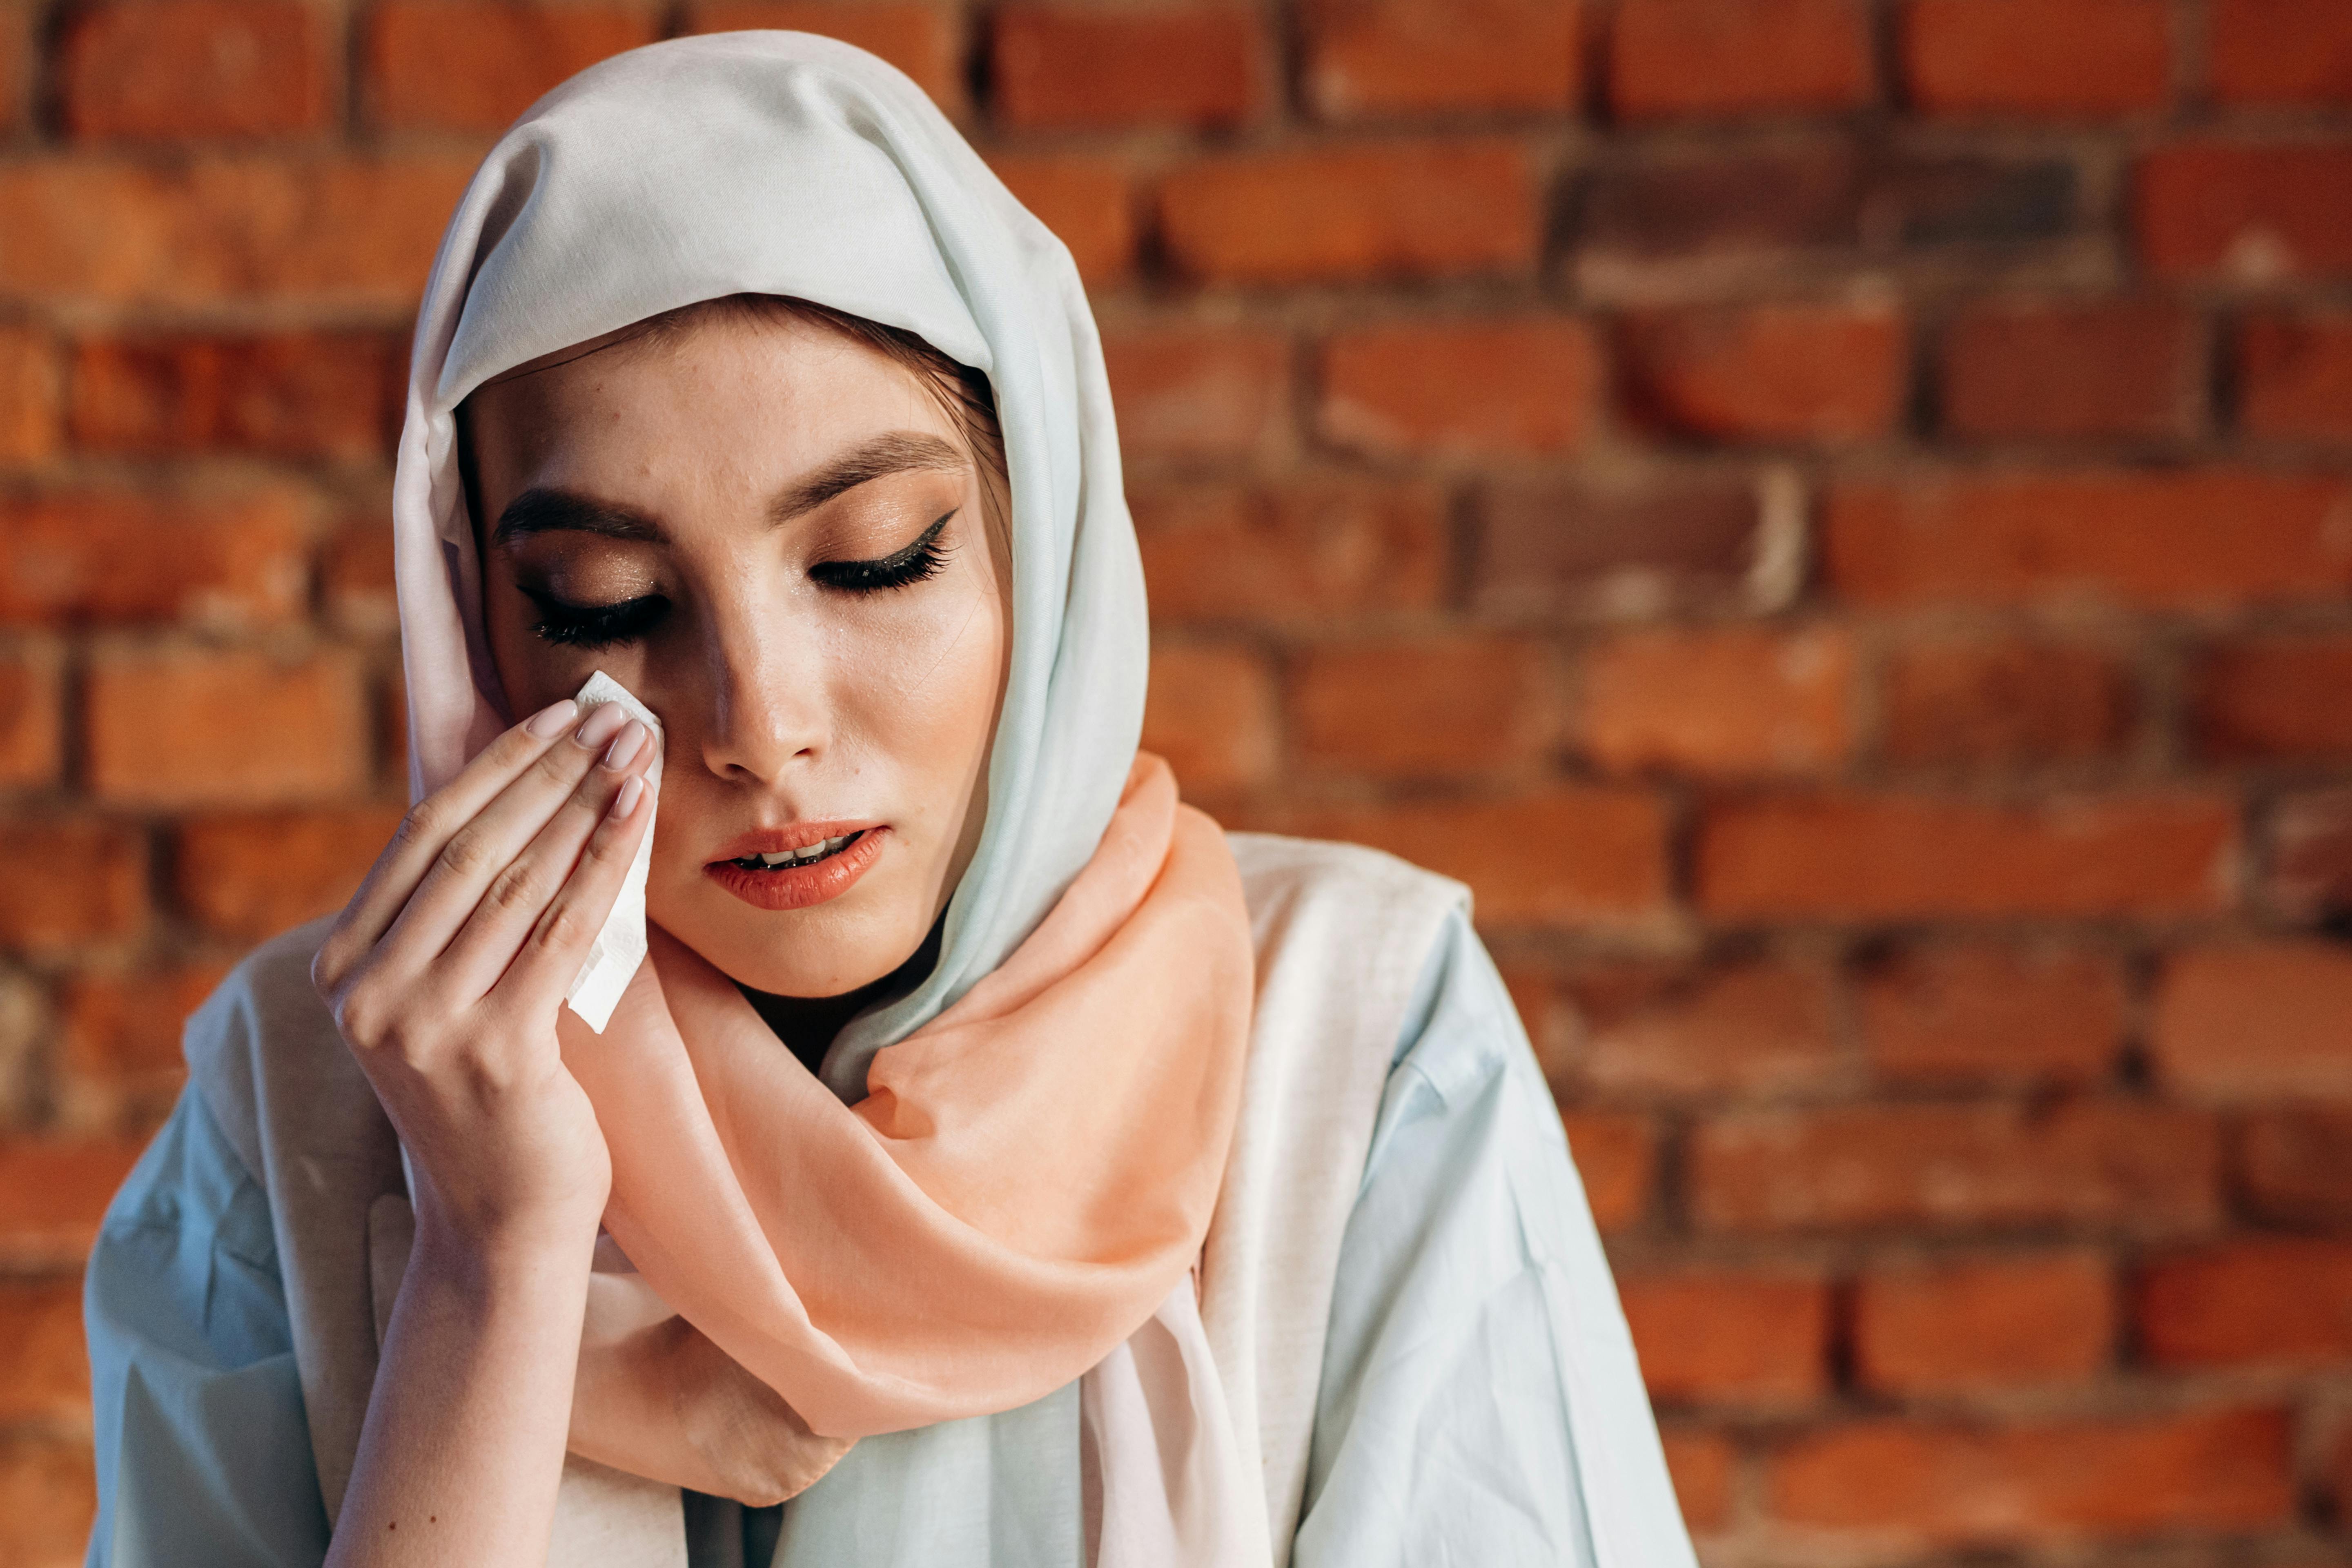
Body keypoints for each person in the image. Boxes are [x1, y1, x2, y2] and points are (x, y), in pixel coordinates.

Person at [80, 33, 1695, 1568]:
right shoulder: (296, 1105)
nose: (761, 727)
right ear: (479, 647)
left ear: (1036, 547)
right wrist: (488, 1268)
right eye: (602, 598)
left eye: (874, 559)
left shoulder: (1354, 1044)